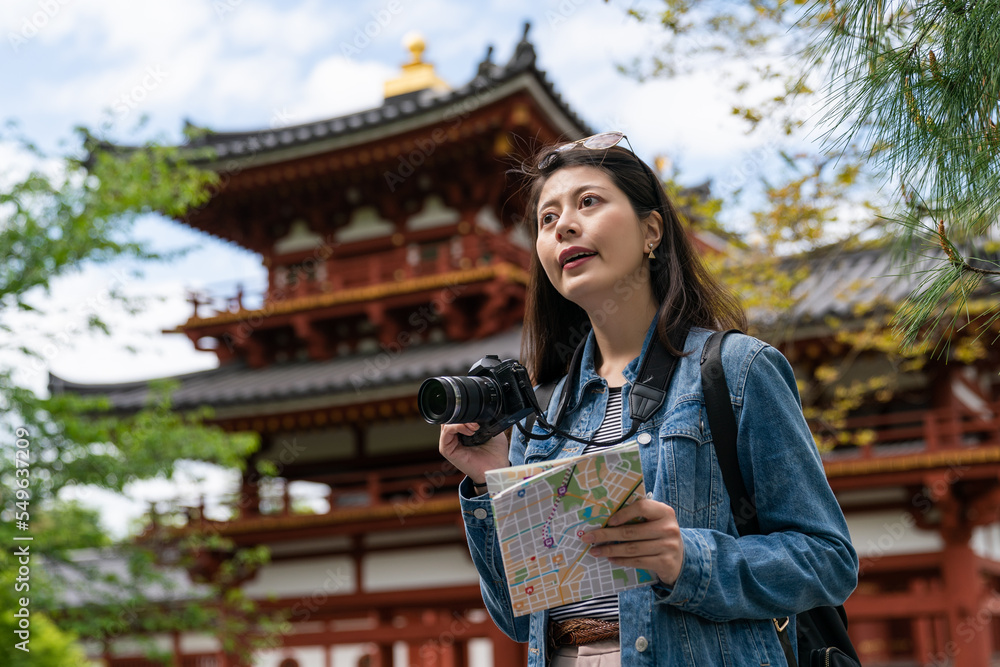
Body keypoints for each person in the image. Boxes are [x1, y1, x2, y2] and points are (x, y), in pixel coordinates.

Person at [438, 132, 858, 666]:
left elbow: (828, 561)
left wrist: (688, 558)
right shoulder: (539, 416)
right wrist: (487, 482)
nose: (563, 224)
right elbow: (519, 619)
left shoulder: (735, 369)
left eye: (588, 202)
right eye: (547, 219)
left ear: (651, 231)